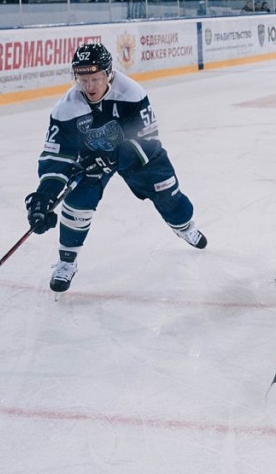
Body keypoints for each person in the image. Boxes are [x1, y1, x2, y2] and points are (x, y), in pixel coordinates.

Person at [24, 43, 208, 293]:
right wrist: (44, 197)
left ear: (109, 74)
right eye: (83, 79)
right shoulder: (66, 109)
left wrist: (110, 156)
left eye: (95, 79)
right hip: (90, 162)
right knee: (76, 204)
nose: (89, 87)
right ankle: (66, 262)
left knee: (168, 193)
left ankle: (184, 227)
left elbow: (148, 142)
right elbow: (56, 157)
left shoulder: (131, 94)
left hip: (135, 157)